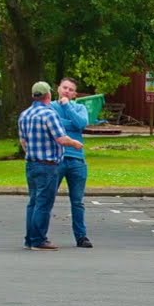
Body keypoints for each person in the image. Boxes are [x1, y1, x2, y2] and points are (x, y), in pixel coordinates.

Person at [19, 81, 84, 250]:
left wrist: (32, 151)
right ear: (48, 95)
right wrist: (75, 143)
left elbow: (23, 141)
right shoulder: (49, 114)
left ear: (34, 95)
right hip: (47, 164)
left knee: (33, 202)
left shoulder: (24, 114)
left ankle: (29, 239)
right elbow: (61, 138)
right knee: (44, 203)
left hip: (31, 163)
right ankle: (39, 240)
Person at [53, 77, 92, 247]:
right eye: (64, 88)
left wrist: (67, 107)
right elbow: (54, 126)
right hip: (56, 159)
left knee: (77, 201)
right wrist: (70, 124)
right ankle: (41, 235)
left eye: (70, 89)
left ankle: (81, 236)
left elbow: (81, 124)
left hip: (76, 159)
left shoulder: (79, 107)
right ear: (58, 89)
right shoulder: (50, 107)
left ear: (75, 94)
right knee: (48, 198)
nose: (67, 91)